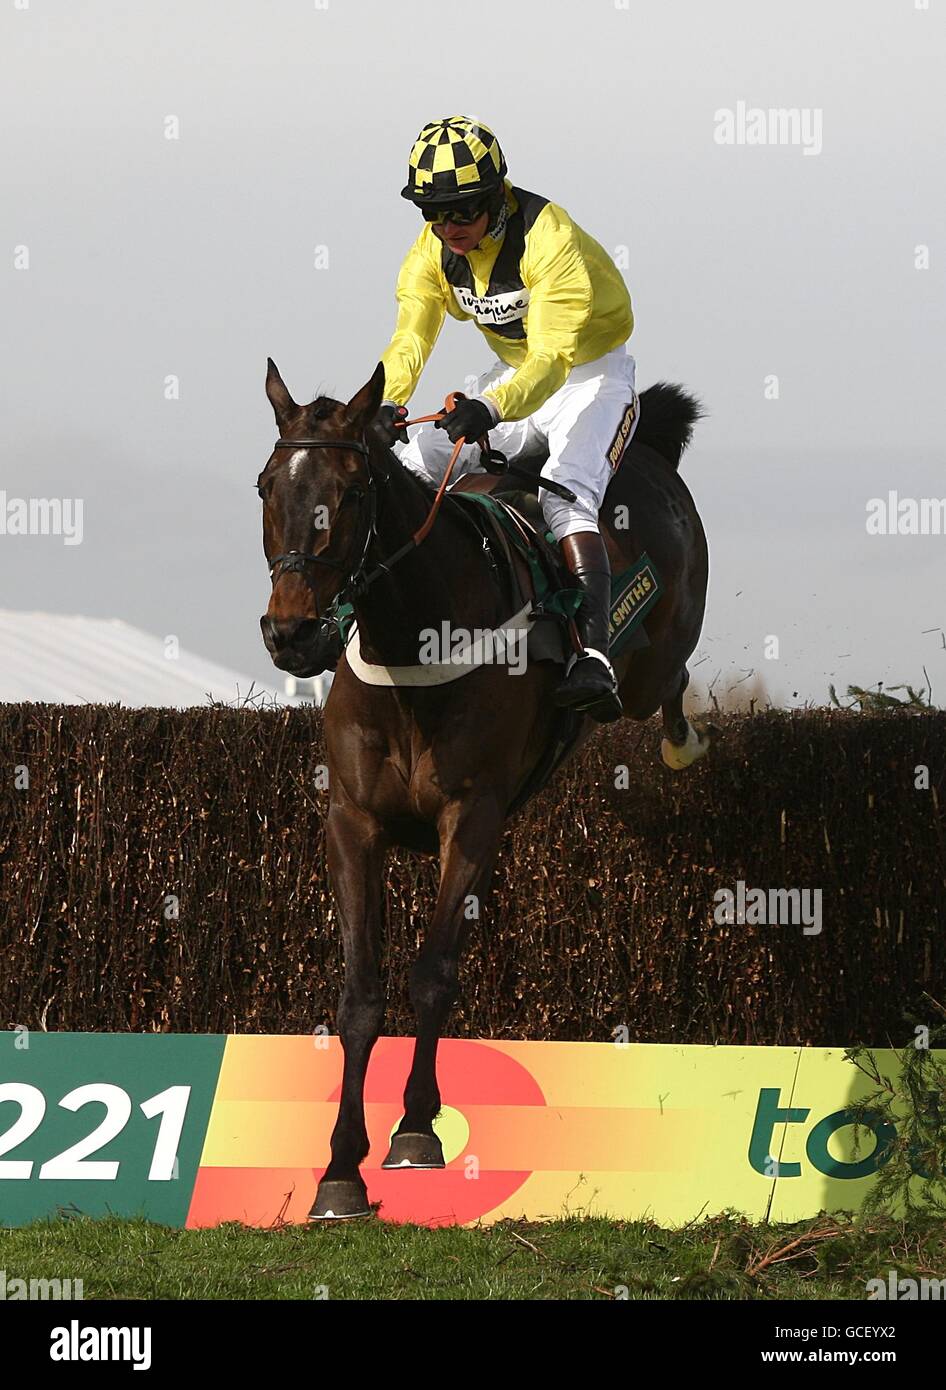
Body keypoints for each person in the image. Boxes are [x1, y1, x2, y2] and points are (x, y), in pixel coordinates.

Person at [375, 115, 639, 721]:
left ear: (498, 195)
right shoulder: (433, 253)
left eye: (461, 212)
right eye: (432, 214)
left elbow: (551, 359)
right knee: (410, 465)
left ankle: (593, 654)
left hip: (590, 379)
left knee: (567, 497)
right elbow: (409, 340)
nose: (448, 228)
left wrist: (488, 409)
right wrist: (383, 408)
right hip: (512, 379)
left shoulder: (551, 238)